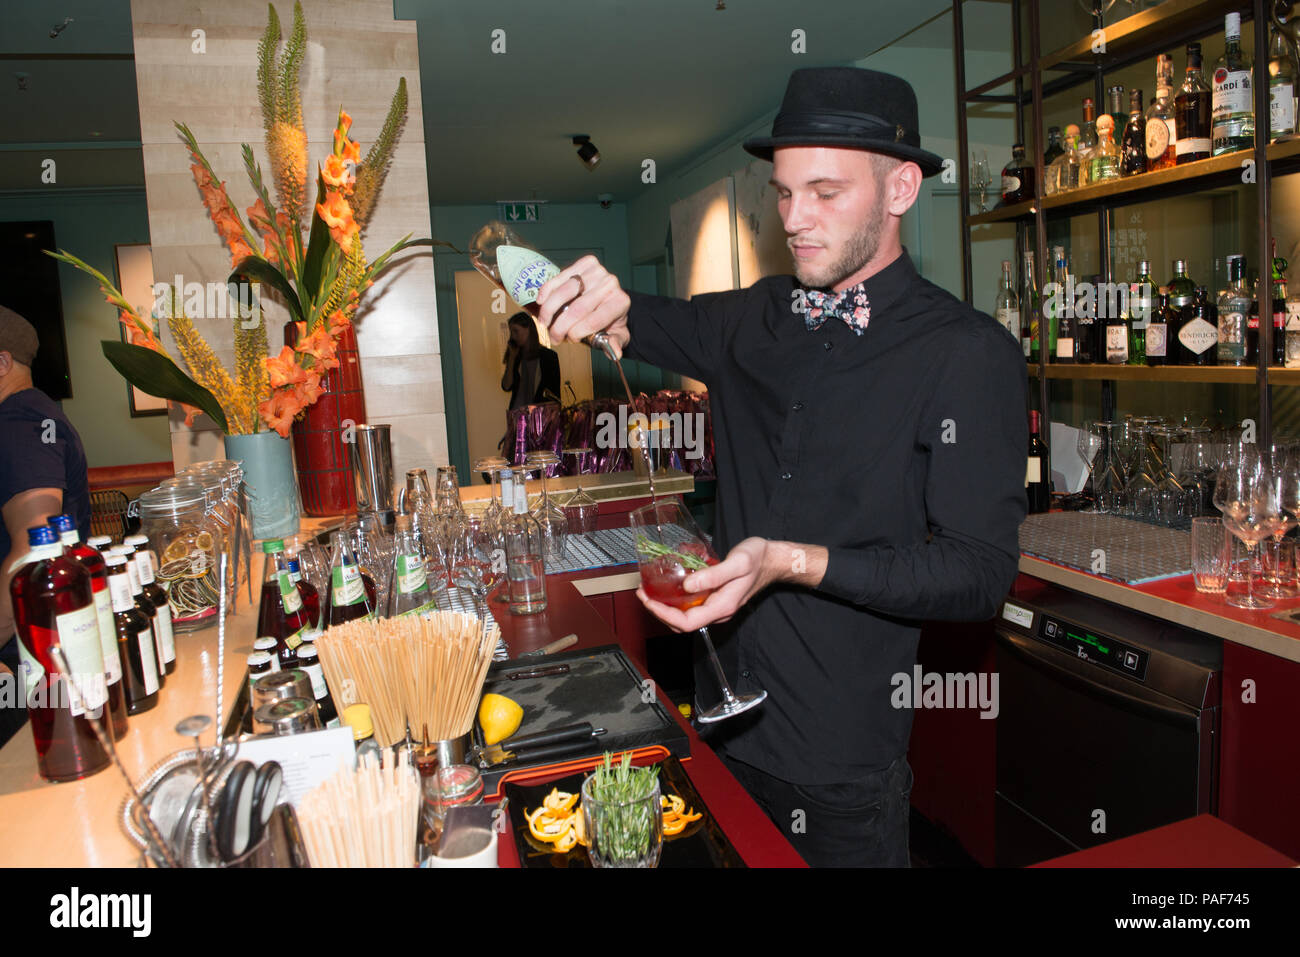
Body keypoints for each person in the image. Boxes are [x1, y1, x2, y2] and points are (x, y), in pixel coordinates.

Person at [537, 68, 1027, 867]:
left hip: (842, 764)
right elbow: (632, 317)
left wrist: (791, 562)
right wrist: (588, 292)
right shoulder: (751, 317)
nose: (795, 219)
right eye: (786, 192)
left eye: (826, 192)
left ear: (901, 188)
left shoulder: (966, 354)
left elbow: (978, 575)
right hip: (720, 727)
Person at [0, 306, 92, 747]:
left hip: (26, 657)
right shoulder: (40, 415)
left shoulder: (17, 423)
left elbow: (32, 550)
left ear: (2, 363)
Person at [500, 311, 561, 409]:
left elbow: (554, 393)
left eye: (516, 331)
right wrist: (511, 358)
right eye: (511, 332)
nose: (513, 336)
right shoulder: (516, 355)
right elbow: (506, 386)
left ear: (528, 329)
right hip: (518, 413)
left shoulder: (548, 356)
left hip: (540, 414)